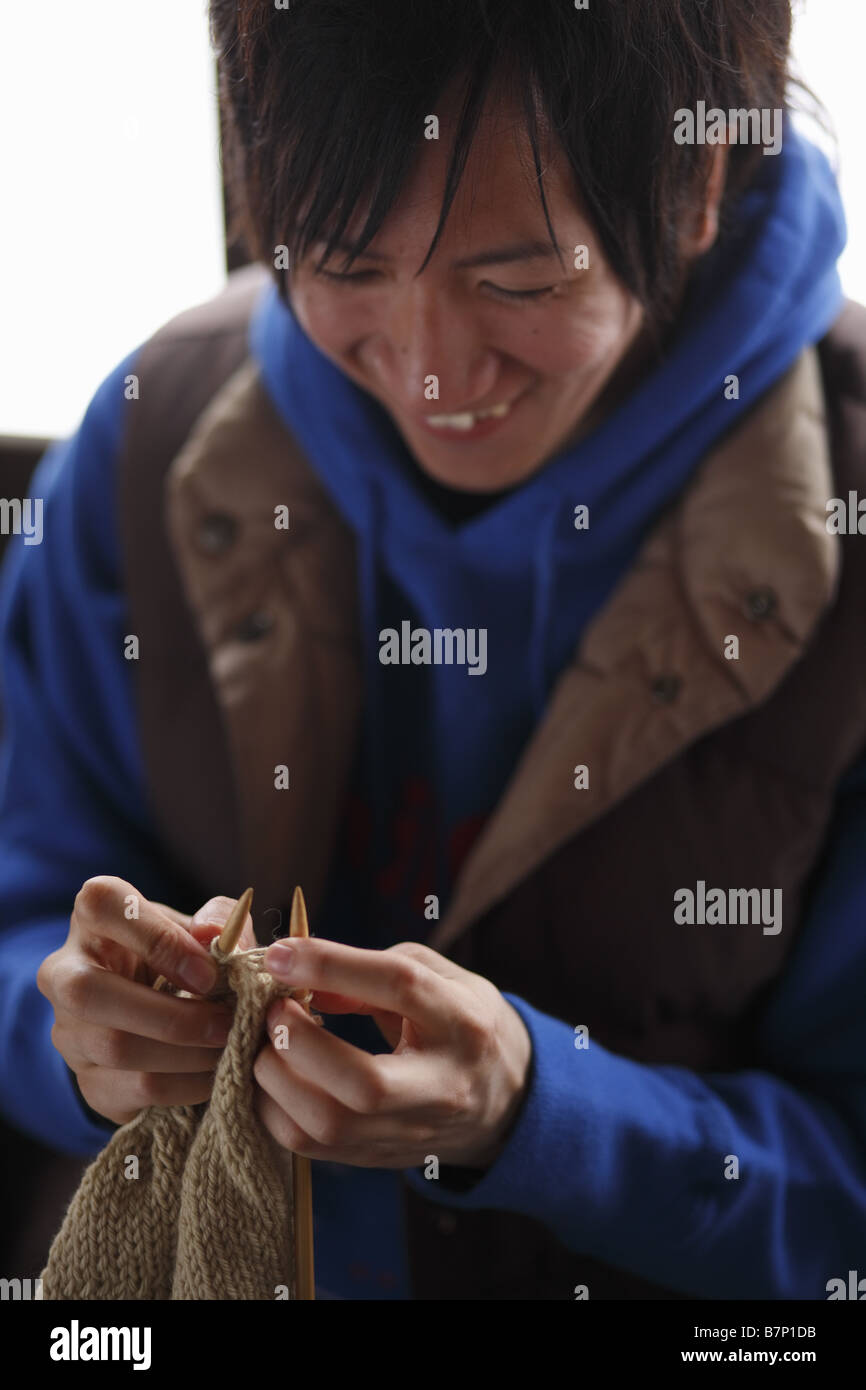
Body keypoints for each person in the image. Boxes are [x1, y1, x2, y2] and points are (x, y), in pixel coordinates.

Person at [1, 0, 865, 1301]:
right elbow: (21, 897)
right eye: (345, 262)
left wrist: (539, 1111)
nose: (427, 372)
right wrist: (67, 1032)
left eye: (515, 282)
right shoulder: (151, 441)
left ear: (695, 181)